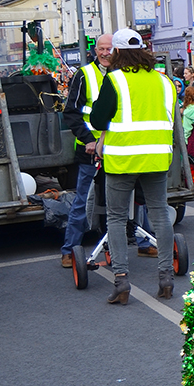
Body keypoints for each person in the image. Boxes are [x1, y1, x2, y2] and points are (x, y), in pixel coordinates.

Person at [89, 28, 177, 303]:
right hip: (157, 157)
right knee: (160, 214)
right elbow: (169, 117)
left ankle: (121, 280)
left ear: (116, 52)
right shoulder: (164, 81)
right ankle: (165, 277)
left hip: (123, 158)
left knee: (116, 217)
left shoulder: (115, 80)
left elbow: (98, 121)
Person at [59, 33, 112, 269]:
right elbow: (71, 112)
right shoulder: (84, 74)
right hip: (89, 150)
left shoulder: (124, 74)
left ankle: (140, 243)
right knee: (84, 201)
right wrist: (89, 140)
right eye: (101, 48)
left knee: (128, 201)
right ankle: (70, 250)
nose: (105, 53)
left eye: (109, 48)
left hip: (117, 149)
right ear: (95, 50)